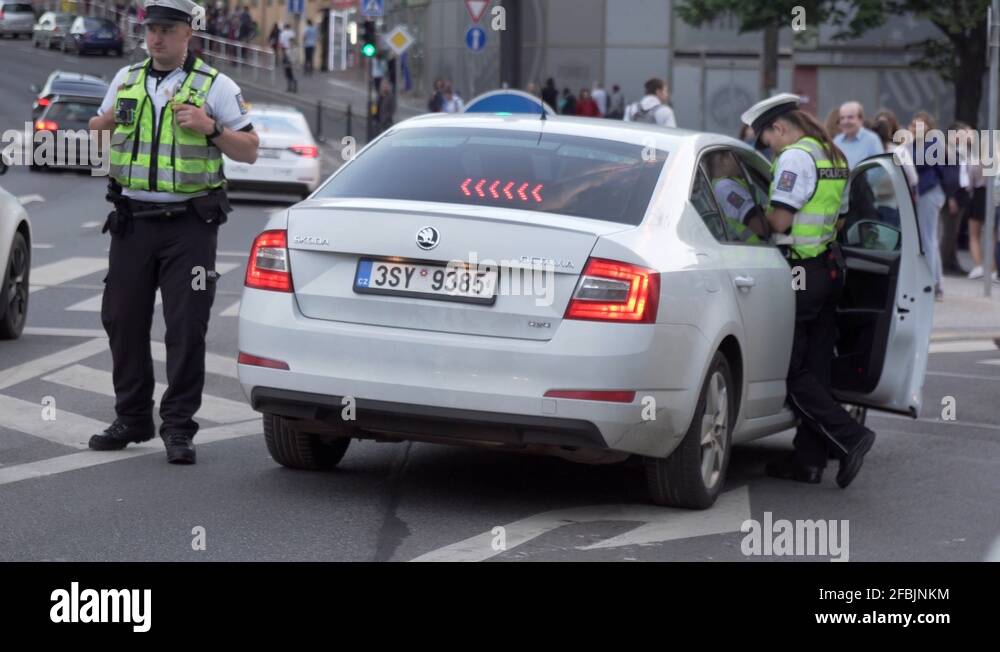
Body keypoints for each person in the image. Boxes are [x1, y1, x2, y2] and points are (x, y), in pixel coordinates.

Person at [86, 0, 259, 464]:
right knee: (122, 319)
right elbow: (100, 133)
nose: (157, 37)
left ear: (188, 34)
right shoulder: (126, 80)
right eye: (152, 29)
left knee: (186, 326)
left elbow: (249, 151)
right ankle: (133, 417)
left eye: (167, 29)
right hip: (131, 221)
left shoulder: (217, 86)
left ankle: (179, 427)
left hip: (189, 226)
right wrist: (99, 127)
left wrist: (211, 128)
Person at [740, 93, 877, 488]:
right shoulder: (831, 154)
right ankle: (809, 460)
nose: (768, 147)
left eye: (767, 139)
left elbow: (778, 223)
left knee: (790, 370)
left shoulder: (796, 157)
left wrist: (744, 212)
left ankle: (851, 437)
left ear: (779, 128)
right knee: (815, 368)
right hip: (830, 268)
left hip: (801, 271)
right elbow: (843, 215)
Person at [910, 111, 958, 300]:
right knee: (928, 239)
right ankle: (935, 283)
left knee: (928, 240)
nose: (914, 128)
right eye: (913, 124)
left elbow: (917, 163)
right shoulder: (917, 143)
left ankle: (932, 284)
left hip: (930, 193)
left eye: (919, 125)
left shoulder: (933, 143)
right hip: (925, 193)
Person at [833, 101, 883, 168]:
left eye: (850, 117)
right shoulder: (836, 142)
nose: (845, 121)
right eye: (842, 118)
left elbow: (879, 169)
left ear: (861, 119)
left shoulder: (872, 140)